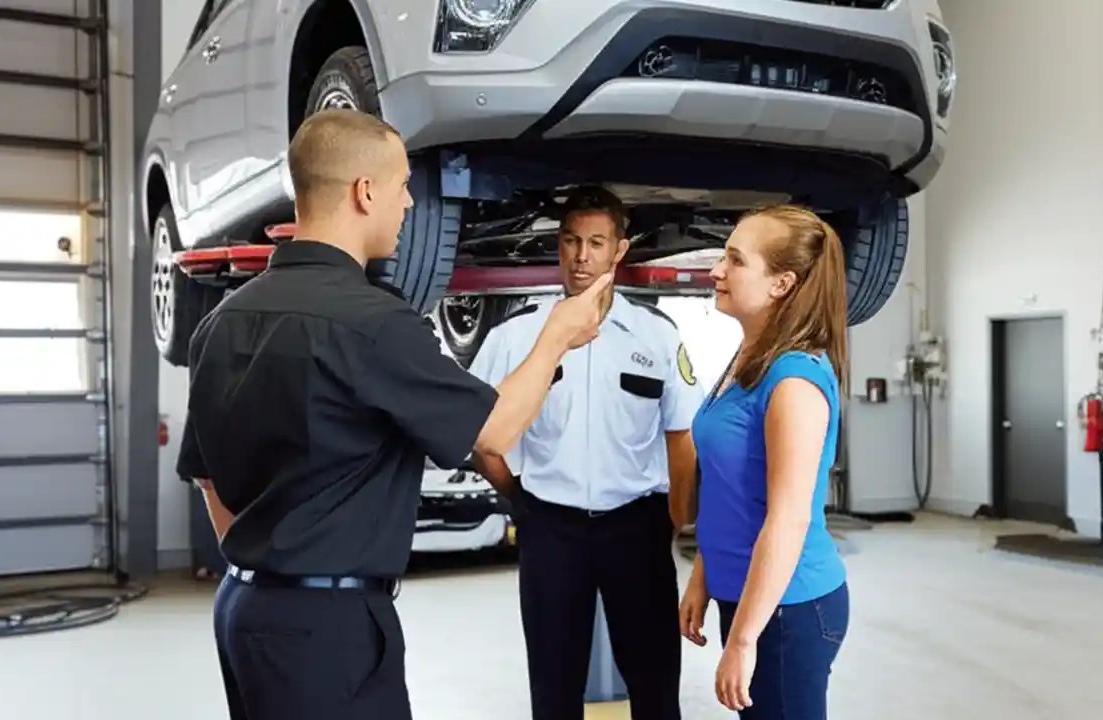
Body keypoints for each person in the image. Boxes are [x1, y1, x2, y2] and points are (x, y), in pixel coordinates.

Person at [176, 108, 612, 720]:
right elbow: (494, 429)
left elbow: (205, 474)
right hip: (327, 628)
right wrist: (556, 336)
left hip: (245, 609)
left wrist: (266, 556)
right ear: (365, 192)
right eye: (405, 185)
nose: (410, 204)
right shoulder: (374, 323)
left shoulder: (221, 321)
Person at [468, 185, 705, 720]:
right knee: (554, 687)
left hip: (637, 527)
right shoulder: (516, 337)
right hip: (551, 528)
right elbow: (478, 438)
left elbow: (680, 434)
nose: (581, 256)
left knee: (654, 681)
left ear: (619, 249)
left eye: (596, 242)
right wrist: (520, 499)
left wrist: (676, 520)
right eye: (571, 240)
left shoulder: (657, 336)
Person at [679, 204, 850, 719]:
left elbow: (789, 518)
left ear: (781, 284)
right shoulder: (749, 360)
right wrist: (703, 575)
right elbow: (733, 492)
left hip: (789, 609)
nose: (716, 271)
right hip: (749, 596)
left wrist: (743, 640)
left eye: (735, 261)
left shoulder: (793, 381)